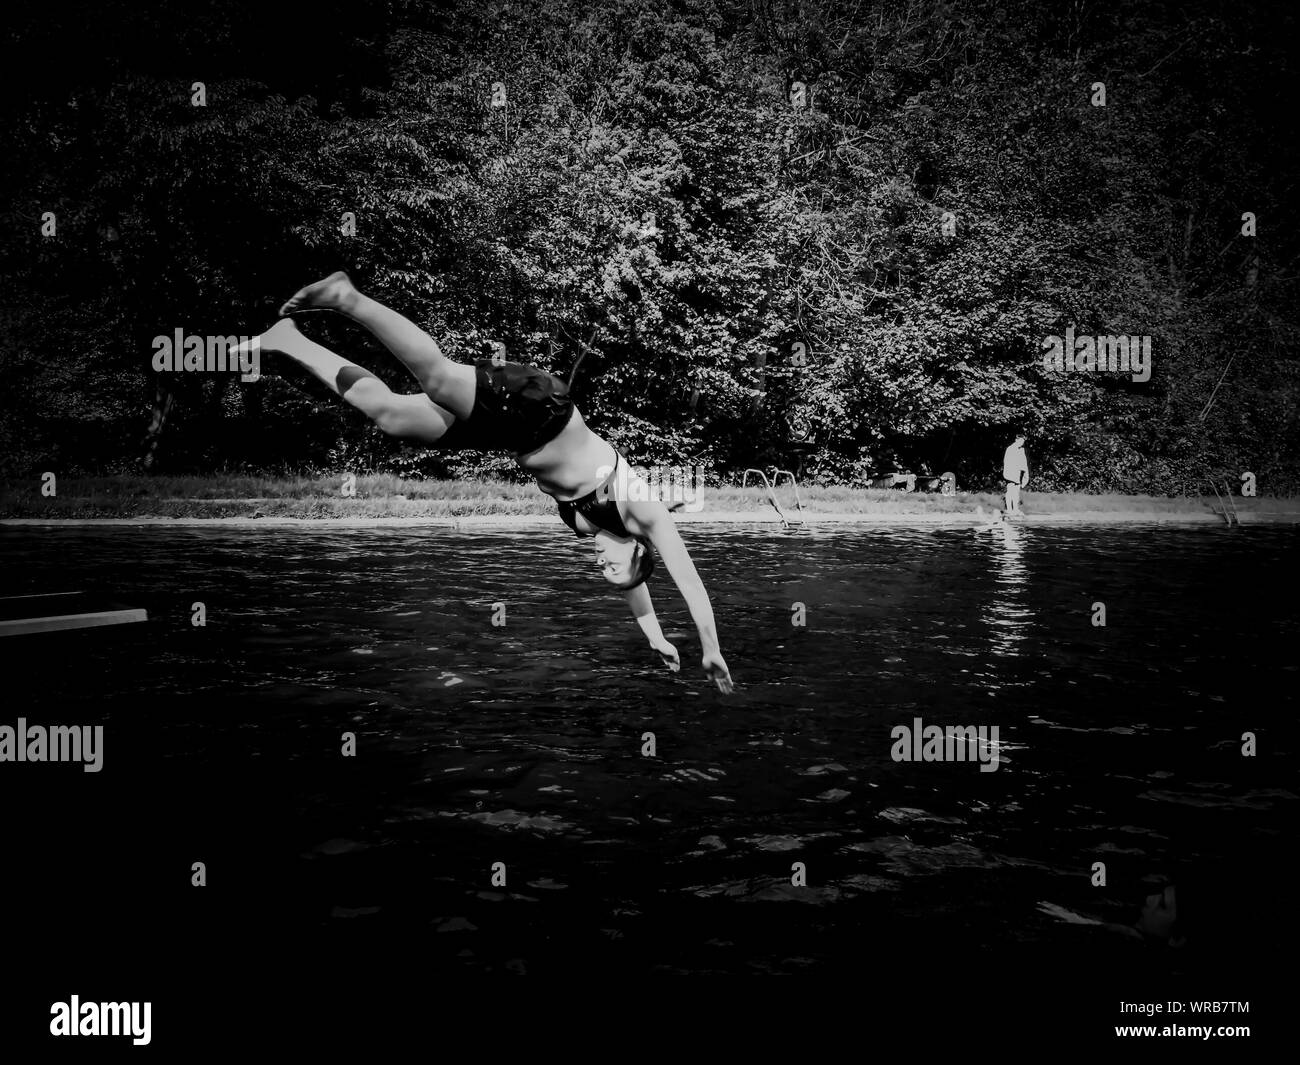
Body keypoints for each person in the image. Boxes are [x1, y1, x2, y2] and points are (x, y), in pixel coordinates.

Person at [242, 272, 734, 692]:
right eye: (614, 566)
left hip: (507, 436)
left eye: (606, 571)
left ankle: (290, 340)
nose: (602, 564)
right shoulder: (637, 509)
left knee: (390, 415)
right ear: (639, 550)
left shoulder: (599, 533)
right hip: (536, 410)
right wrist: (709, 649)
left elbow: (635, 589)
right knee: (436, 379)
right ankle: (347, 296)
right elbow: (688, 582)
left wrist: (654, 636)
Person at [1002, 431, 1029, 517]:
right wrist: (1011, 474)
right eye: (1021, 441)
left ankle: (1015, 509)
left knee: (1016, 491)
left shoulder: (1021, 450)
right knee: (1010, 490)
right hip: (1010, 473)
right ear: (1016, 440)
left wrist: (1023, 472)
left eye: (1023, 442)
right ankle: (1009, 509)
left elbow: (1022, 462)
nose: (1022, 443)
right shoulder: (1010, 449)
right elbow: (1007, 462)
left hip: (1017, 473)